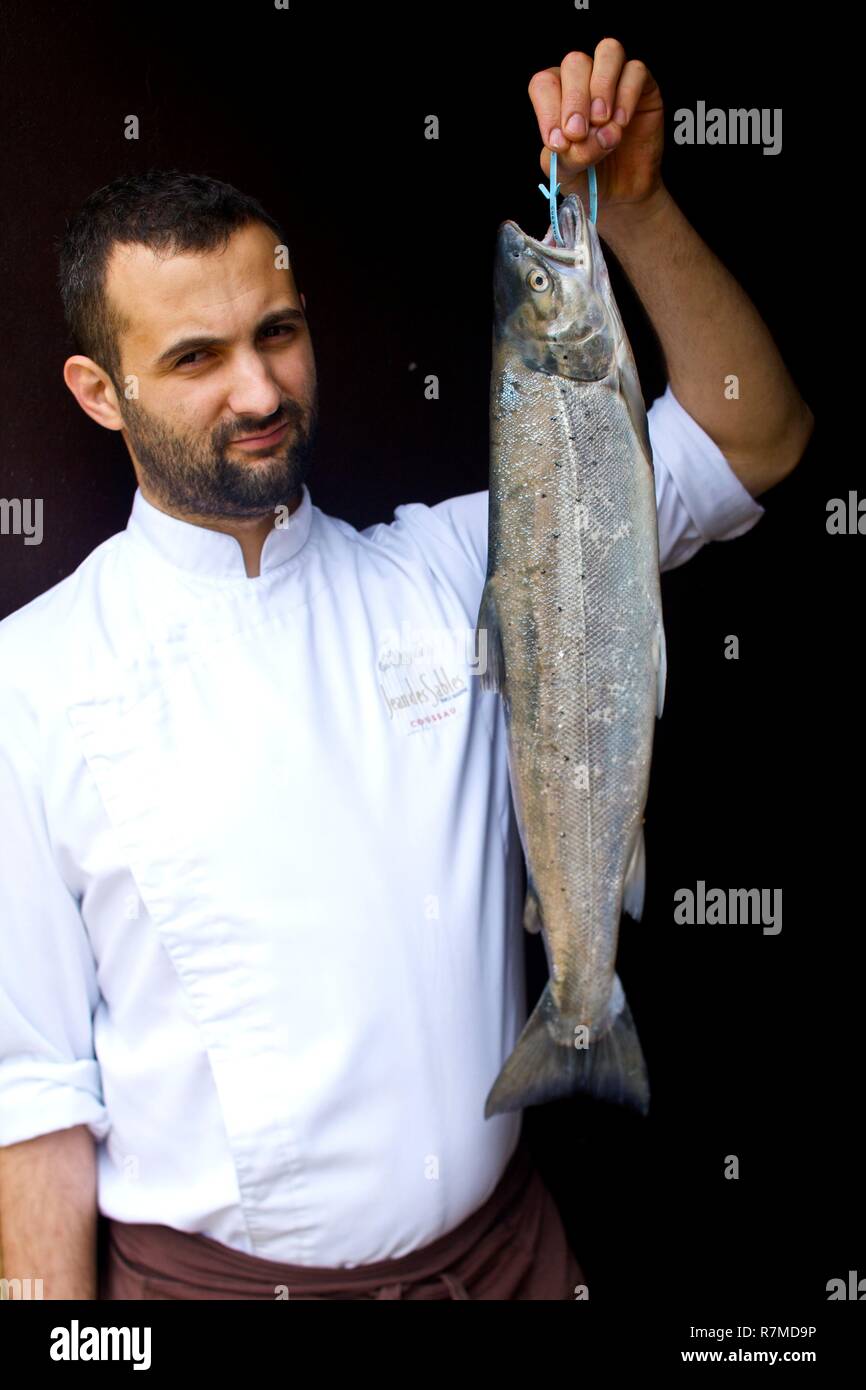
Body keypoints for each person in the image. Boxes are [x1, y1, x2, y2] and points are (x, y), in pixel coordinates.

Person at [0, 41, 812, 1300]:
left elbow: (754, 432)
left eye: (277, 332)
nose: (260, 388)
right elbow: (30, 1090)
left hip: (510, 1261)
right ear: (99, 392)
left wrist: (634, 207)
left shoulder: (460, 561)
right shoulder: (33, 676)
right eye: (196, 358)